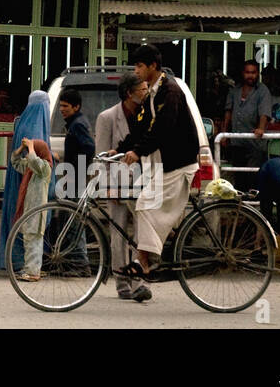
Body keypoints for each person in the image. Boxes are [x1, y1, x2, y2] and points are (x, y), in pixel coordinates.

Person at [117, 45, 200, 289]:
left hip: (178, 163)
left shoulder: (170, 91)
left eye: (139, 66)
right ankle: (146, 259)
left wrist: (137, 151)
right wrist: (121, 149)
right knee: (143, 205)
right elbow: (142, 128)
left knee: (144, 205)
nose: (136, 71)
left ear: (153, 66)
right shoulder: (153, 93)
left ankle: (144, 262)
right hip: (163, 166)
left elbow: (162, 129)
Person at [95, 72, 150, 302]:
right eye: (142, 90)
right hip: (116, 184)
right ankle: (121, 281)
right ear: (129, 94)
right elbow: (101, 155)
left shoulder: (147, 116)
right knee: (118, 235)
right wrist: (107, 186)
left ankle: (139, 282)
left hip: (143, 184)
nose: (146, 94)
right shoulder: (107, 117)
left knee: (142, 234)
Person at [0, 90, 52, 270]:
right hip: (29, 184)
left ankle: (24, 264)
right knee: (32, 232)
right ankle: (28, 266)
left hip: (22, 183)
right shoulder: (37, 128)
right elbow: (35, 160)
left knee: (26, 228)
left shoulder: (23, 123)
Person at [10, 137, 53, 282]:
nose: (28, 154)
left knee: (34, 240)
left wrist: (31, 147)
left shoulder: (45, 167)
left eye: (32, 151)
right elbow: (15, 162)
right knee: (29, 239)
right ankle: (32, 269)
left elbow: (35, 161)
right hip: (29, 209)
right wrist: (22, 149)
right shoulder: (31, 168)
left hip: (37, 211)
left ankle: (33, 272)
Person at [221, 59, 271, 171]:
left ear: (257, 74)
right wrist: (224, 134)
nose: (250, 76)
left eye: (253, 73)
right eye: (248, 72)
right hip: (237, 142)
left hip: (254, 143)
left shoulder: (263, 91)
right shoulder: (235, 90)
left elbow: (264, 113)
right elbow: (228, 112)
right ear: (243, 73)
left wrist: (261, 128)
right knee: (239, 177)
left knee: (252, 177)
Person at [58, 88, 95, 200]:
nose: (61, 109)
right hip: (76, 177)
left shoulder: (77, 124)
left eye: (65, 106)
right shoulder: (76, 122)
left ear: (76, 107)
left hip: (76, 179)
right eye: (61, 106)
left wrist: (73, 173)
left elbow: (88, 148)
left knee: (71, 211)